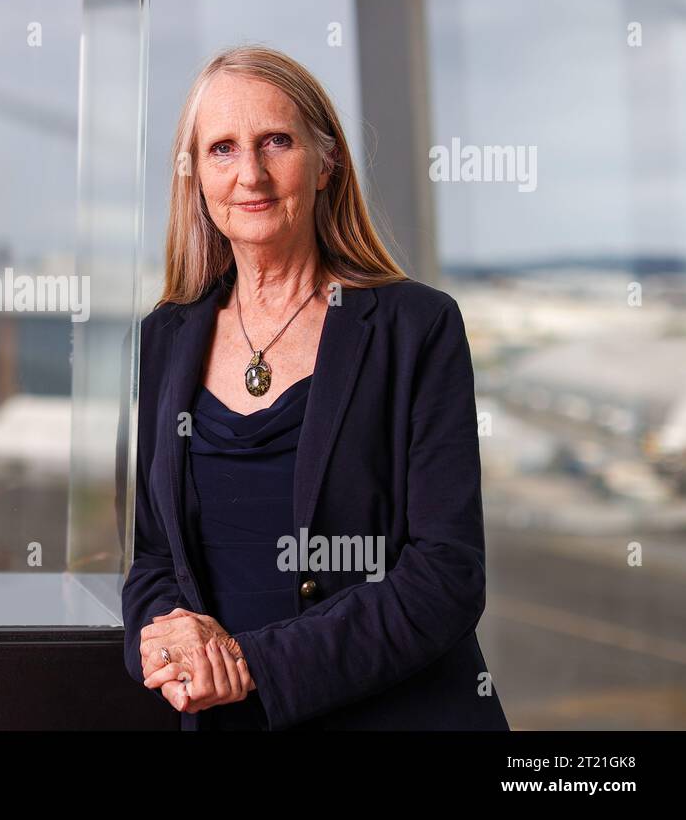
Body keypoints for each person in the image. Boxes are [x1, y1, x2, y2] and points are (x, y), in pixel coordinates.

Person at [122, 45, 509, 730]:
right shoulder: (166, 337)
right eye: (222, 149)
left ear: (325, 161)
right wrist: (167, 641)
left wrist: (253, 665)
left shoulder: (415, 326)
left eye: (277, 141)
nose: (251, 174)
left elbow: (446, 575)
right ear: (194, 177)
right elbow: (155, 555)